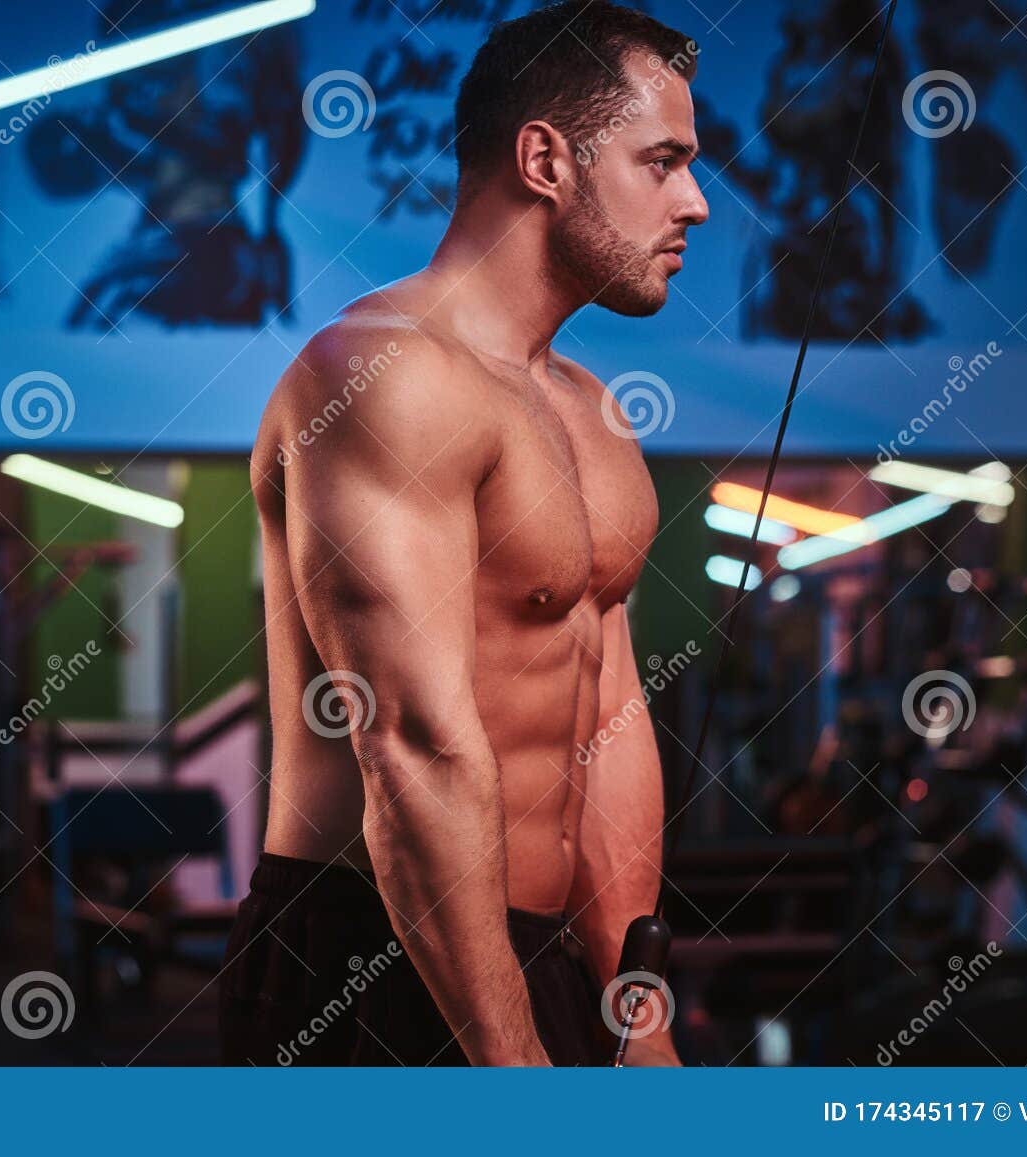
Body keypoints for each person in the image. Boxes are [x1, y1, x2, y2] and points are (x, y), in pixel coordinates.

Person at [219, 0, 708, 1066]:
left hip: (550, 957)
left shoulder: (591, 408)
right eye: (662, 162)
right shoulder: (380, 378)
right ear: (545, 159)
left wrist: (640, 1007)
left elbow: (610, 721)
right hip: (366, 956)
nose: (697, 203)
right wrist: (511, 1069)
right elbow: (411, 741)